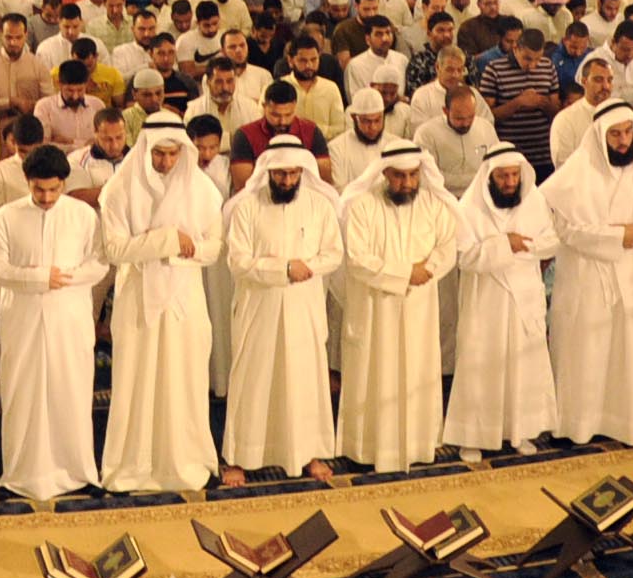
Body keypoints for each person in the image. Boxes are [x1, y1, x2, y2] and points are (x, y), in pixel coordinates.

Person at [95, 120, 220, 494]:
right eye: (159, 154)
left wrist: (172, 248)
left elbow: (213, 249)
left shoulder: (202, 189)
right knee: (137, 380)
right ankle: (132, 467)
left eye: (173, 153)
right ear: (145, 150)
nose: (166, 162)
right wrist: (169, 240)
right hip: (137, 300)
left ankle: (185, 463)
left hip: (185, 300)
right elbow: (114, 250)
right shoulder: (119, 189)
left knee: (184, 379)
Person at [0, 144, 103, 499]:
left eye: (54, 189)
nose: (47, 197)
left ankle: (78, 472)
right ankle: (19, 475)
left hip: (70, 318)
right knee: (24, 392)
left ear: (65, 183)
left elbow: (99, 263)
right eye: (39, 189)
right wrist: (39, 278)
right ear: (27, 181)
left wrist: (66, 278)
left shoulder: (83, 216)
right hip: (23, 319)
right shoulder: (7, 216)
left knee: (71, 390)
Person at [545, 101, 633, 443]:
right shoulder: (577, 171)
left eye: (627, 132)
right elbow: (566, 228)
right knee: (587, 350)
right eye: (615, 134)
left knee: (628, 350)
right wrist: (618, 235)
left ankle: (623, 421)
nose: (623, 140)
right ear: (600, 136)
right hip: (588, 278)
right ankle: (579, 425)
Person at [219, 140, 340, 482]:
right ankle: (240, 458)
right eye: (281, 174)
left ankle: (309, 454)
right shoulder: (245, 208)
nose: (288, 181)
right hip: (259, 307)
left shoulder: (319, 206)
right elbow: (238, 262)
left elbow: (334, 254)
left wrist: (305, 267)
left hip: (304, 306)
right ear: (268, 172)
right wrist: (283, 269)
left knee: (305, 380)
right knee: (253, 380)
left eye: (294, 173)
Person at [335, 144, 457, 469]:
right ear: (384, 173)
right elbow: (358, 260)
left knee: (418, 370)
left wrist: (426, 270)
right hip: (376, 309)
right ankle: (368, 450)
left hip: (420, 305)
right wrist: (406, 273)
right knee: (375, 373)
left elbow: (448, 246)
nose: (407, 183)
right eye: (399, 176)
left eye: (413, 176)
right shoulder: (362, 206)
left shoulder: (433, 204)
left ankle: (418, 444)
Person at [445, 147, 558, 456]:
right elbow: (464, 257)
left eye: (514, 175)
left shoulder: (534, 200)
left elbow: (551, 241)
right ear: (489, 178)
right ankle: (473, 438)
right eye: (503, 176)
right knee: (481, 366)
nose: (510, 182)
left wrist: (522, 246)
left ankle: (519, 431)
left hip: (524, 296)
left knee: (524, 365)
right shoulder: (469, 207)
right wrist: (505, 244)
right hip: (486, 300)